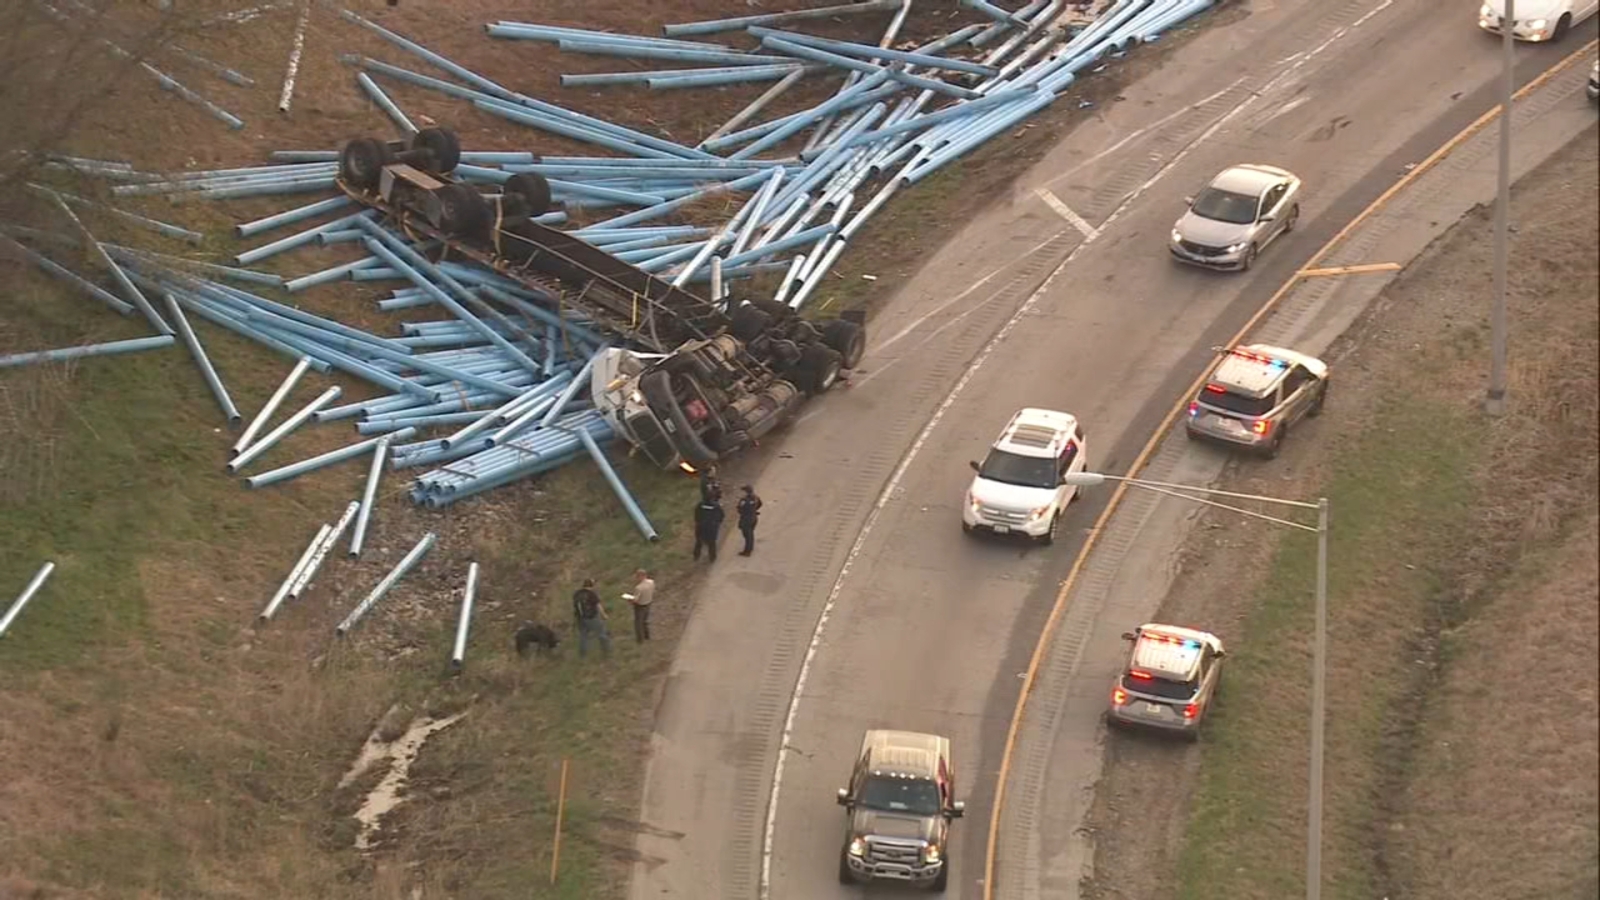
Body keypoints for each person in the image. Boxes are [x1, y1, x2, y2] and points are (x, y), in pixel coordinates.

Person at [571, 578, 611, 658]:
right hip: (592, 617)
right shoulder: (591, 594)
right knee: (601, 633)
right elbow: (598, 605)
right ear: (592, 585)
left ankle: (582, 655)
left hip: (580, 618)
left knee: (583, 636)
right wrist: (604, 615)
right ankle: (607, 652)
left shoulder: (577, 593)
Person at [693, 494, 725, 562]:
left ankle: (696, 555)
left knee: (699, 541)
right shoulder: (716, 506)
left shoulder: (700, 505)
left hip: (701, 526)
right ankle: (712, 557)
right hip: (712, 527)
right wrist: (717, 523)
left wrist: (698, 522)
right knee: (712, 543)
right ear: (712, 498)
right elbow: (721, 515)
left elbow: (696, 514)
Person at [626, 568, 656, 643]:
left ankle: (640, 640)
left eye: (637, 576)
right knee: (645, 621)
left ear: (641, 576)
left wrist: (629, 599)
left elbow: (635, 600)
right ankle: (647, 636)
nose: (636, 578)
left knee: (638, 623)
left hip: (640, 606)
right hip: (648, 603)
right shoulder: (651, 582)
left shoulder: (639, 588)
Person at [736, 485, 763, 556]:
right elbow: (760, 504)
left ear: (746, 492)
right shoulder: (756, 497)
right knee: (750, 534)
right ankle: (750, 548)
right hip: (753, 517)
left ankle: (747, 551)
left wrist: (743, 512)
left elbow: (739, 508)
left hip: (746, 519)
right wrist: (753, 510)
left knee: (747, 535)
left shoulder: (744, 500)